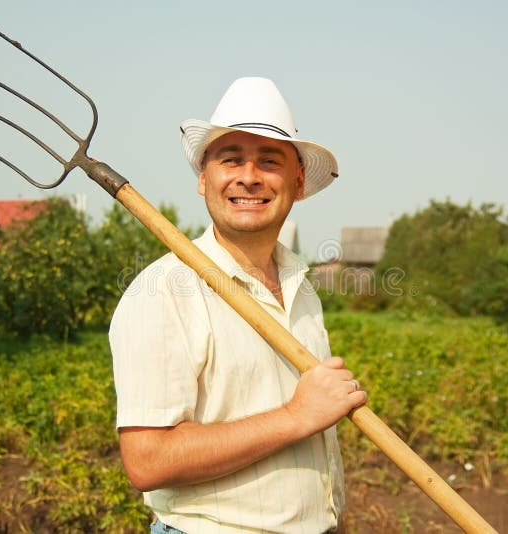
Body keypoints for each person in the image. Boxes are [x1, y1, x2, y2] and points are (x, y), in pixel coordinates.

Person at [109, 77, 368, 534]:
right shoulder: (163, 292)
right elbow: (148, 461)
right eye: (231, 159)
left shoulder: (301, 285)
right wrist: (297, 416)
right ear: (203, 179)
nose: (249, 176)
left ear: (298, 181)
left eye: (269, 161)